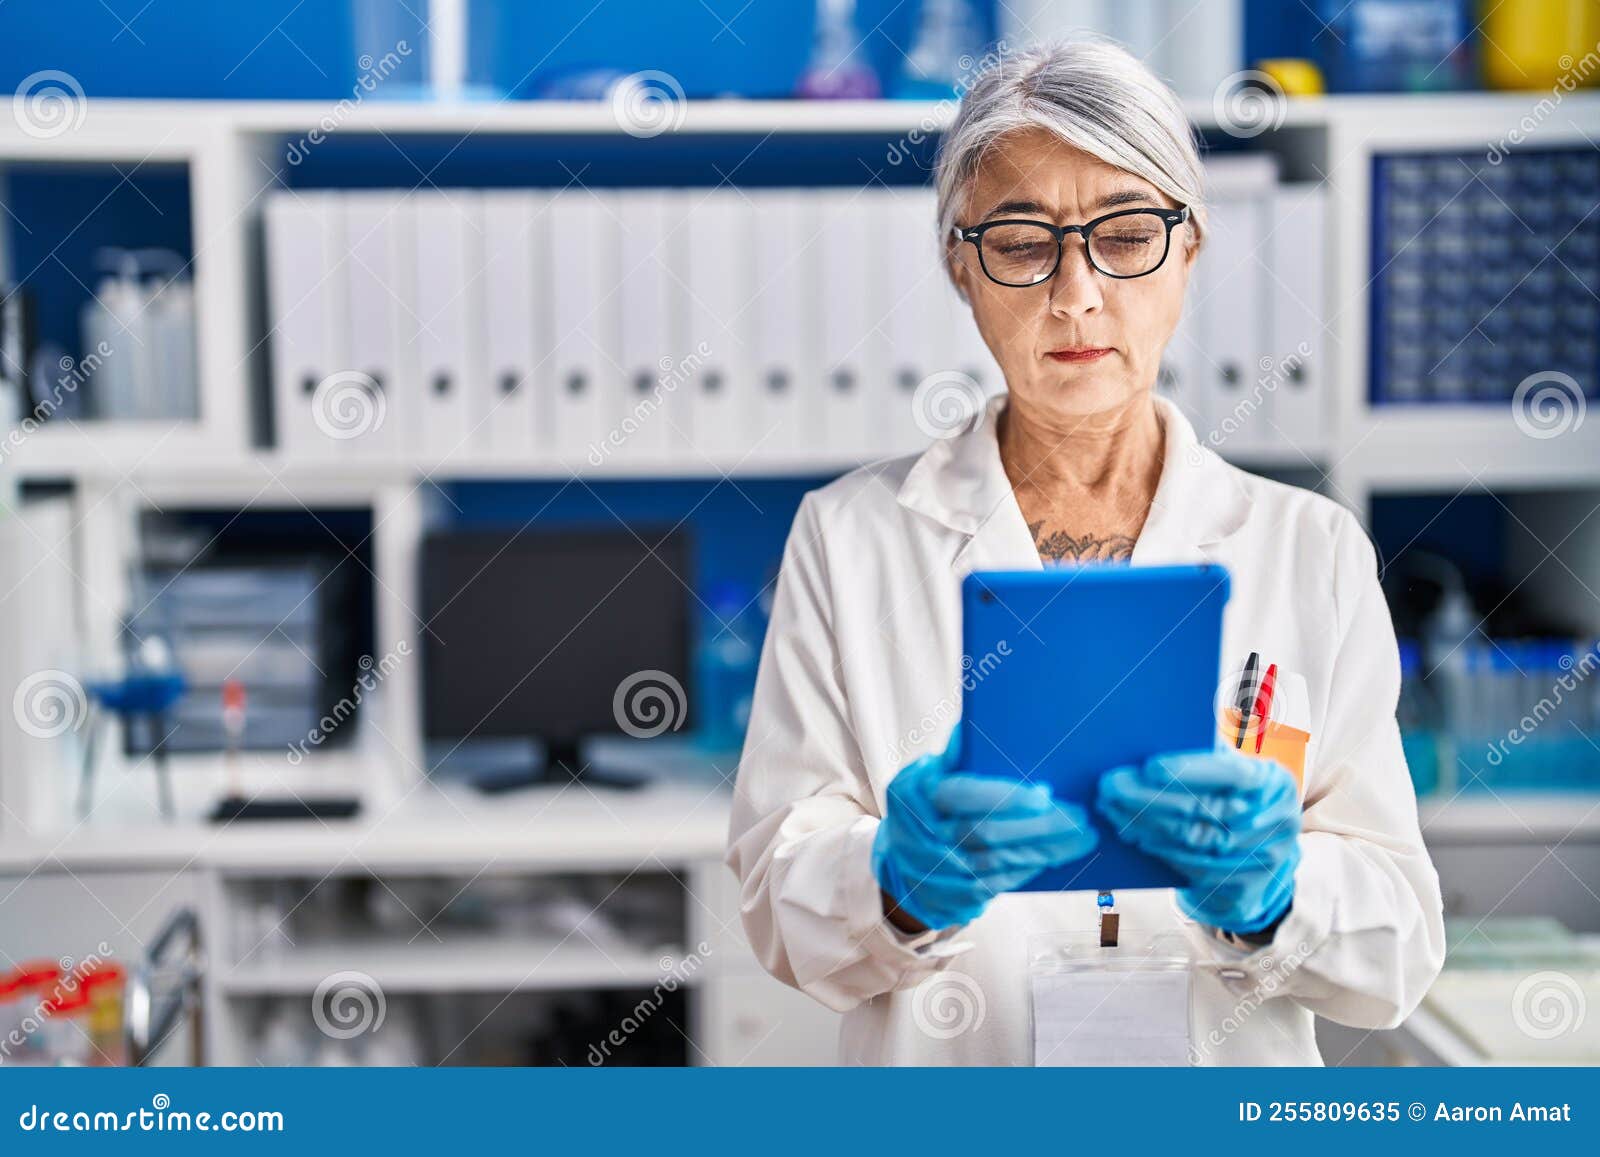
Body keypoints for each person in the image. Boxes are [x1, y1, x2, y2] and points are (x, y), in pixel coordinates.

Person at [724, 36, 1445, 1065]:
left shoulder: (1308, 549)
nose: (1076, 292)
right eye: (1022, 241)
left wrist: (1275, 889)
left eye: (1123, 232)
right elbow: (775, 904)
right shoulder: (850, 538)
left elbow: (1398, 949)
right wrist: (891, 877)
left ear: (1187, 252)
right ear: (959, 264)